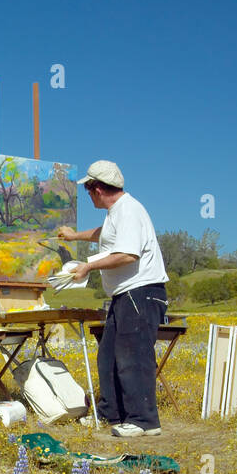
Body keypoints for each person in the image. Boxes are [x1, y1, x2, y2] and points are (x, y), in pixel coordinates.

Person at [58, 161, 168, 437]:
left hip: (141, 292)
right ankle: (113, 414)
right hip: (125, 295)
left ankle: (144, 421)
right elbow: (105, 235)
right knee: (108, 356)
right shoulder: (115, 213)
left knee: (134, 356)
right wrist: (74, 236)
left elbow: (128, 254)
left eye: (87, 190)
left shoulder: (129, 211)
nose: (88, 195)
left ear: (97, 189)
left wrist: (88, 267)